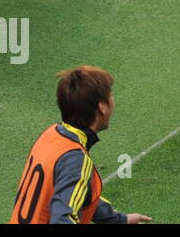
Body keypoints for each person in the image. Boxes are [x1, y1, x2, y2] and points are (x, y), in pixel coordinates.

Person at [9, 66, 151, 224]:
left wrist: (120, 220)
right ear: (102, 108)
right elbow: (62, 219)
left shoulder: (51, 134)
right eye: (110, 97)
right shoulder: (75, 159)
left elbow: (78, 193)